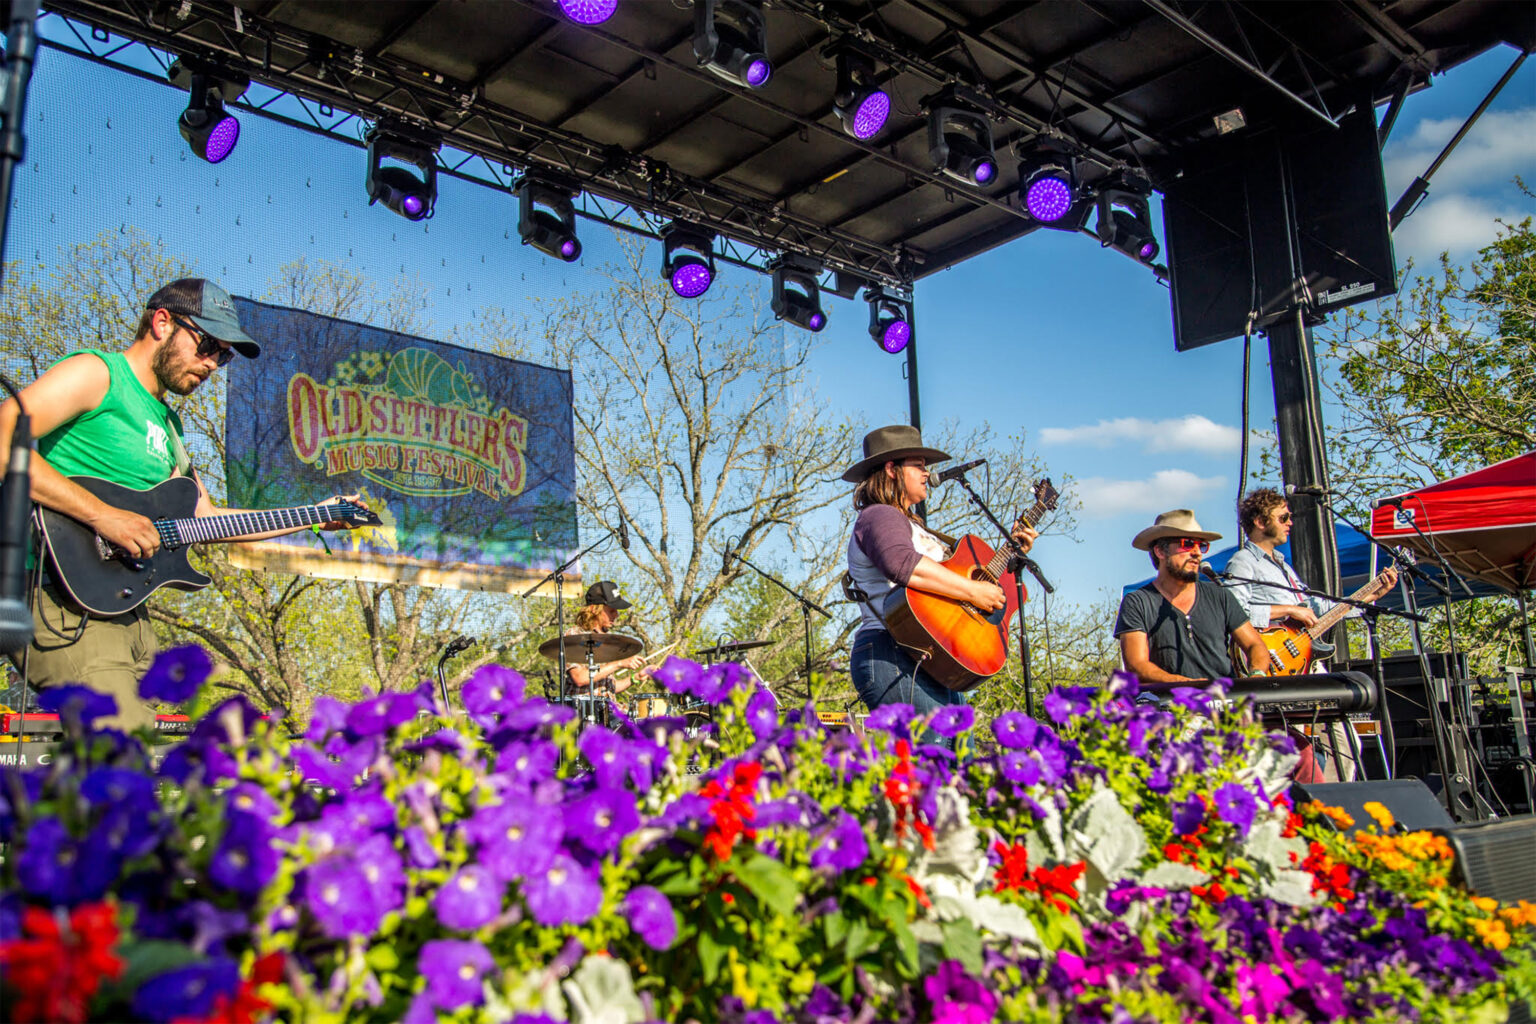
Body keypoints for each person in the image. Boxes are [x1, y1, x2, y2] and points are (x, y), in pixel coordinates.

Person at [0, 278, 364, 730]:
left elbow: (207, 519)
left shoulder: (169, 425)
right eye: (207, 344)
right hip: (57, 599)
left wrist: (315, 514)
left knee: (166, 756)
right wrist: (103, 516)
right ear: (162, 322)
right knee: (123, 752)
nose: (213, 363)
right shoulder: (97, 374)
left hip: (123, 608)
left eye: (223, 355)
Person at [843, 424, 1037, 717]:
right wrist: (973, 590)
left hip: (931, 658)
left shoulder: (912, 525)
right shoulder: (879, 515)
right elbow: (903, 565)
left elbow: (952, 587)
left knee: (956, 758)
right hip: (892, 652)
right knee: (932, 758)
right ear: (892, 469)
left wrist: (1013, 552)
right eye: (918, 465)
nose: (926, 473)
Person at [1224, 487, 1397, 654]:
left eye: (1290, 517)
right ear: (1260, 522)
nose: (1290, 523)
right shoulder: (1243, 561)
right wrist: (1289, 610)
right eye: (1283, 518)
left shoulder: (1282, 564)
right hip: (1271, 654)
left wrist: (1372, 595)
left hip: (1300, 653)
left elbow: (1317, 608)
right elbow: (1232, 614)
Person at [1114, 509, 1270, 684]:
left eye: (1201, 545)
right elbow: (1136, 665)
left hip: (1224, 703)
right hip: (1172, 707)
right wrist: (1188, 687)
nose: (1197, 552)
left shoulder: (1220, 596)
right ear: (1160, 551)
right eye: (1187, 544)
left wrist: (1257, 675)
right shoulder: (1137, 602)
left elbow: (1255, 645)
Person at [565, 580, 645, 695]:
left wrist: (636, 677)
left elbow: (609, 688)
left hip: (607, 708)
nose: (616, 615)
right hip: (583, 709)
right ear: (594, 609)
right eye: (612, 610)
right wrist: (619, 663)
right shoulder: (574, 635)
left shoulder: (608, 640)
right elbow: (580, 678)